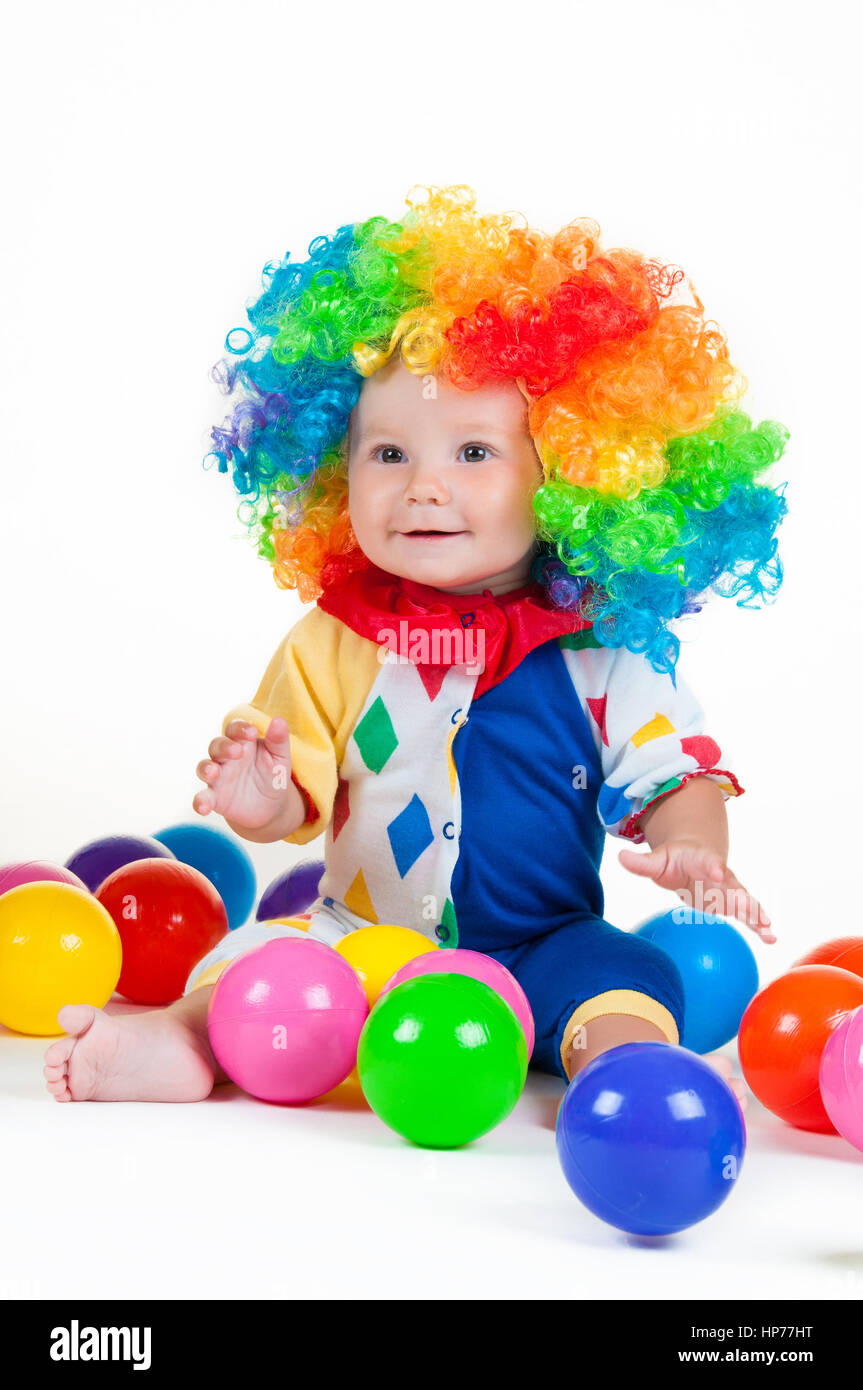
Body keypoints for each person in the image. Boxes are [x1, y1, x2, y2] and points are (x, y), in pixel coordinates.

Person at [43, 185, 788, 1105]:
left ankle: (619, 1074)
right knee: (260, 960)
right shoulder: (337, 639)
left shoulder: (603, 653)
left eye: (472, 454)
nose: (422, 487)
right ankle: (178, 1041)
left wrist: (691, 846)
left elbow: (677, 775)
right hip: (355, 932)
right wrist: (260, 800)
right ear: (331, 468)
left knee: (626, 980)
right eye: (387, 454)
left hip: (537, 942)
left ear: (574, 472)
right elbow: (293, 802)